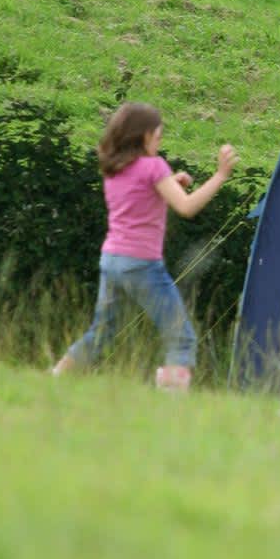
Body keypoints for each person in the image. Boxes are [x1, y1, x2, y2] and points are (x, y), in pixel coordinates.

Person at [52, 101, 238, 391]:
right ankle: (171, 402)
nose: (160, 142)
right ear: (143, 136)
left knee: (101, 333)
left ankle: (55, 377)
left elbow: (138, 197)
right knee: (181, 337)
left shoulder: (114, 166)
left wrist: (171, 182)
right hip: (141, 264)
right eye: (158, 136)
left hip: (112, 260)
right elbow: (187, 208)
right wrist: (220, 175)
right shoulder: (153, 167)